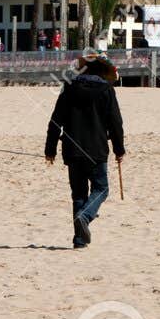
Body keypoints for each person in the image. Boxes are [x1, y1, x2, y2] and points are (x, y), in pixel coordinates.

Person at [44, 54, 126, 249]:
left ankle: (79, 240)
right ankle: (85, 216)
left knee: (79, 194)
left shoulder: (69, 89)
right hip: (96, 149)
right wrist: (119, 149)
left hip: (72, 150)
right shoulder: (107, 90)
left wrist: (50, 149)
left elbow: (55, 121)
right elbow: (115, 123)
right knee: (101, 189)